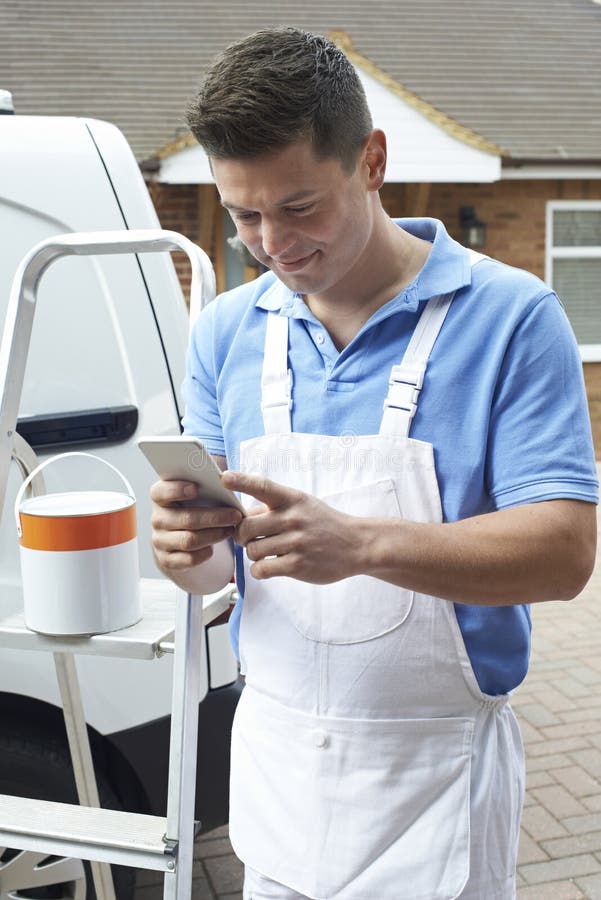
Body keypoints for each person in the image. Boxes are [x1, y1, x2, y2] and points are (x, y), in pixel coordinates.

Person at [150, 26, 598, 900]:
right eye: (244, 214)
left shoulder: (511, 318)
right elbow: (213, 568)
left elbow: (564, 554)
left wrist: (361, 547)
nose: (272, 244)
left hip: (438, 786)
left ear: (372, 161)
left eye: (299, 206)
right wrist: (180, 549)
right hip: (278, 772)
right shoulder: (224, 332)